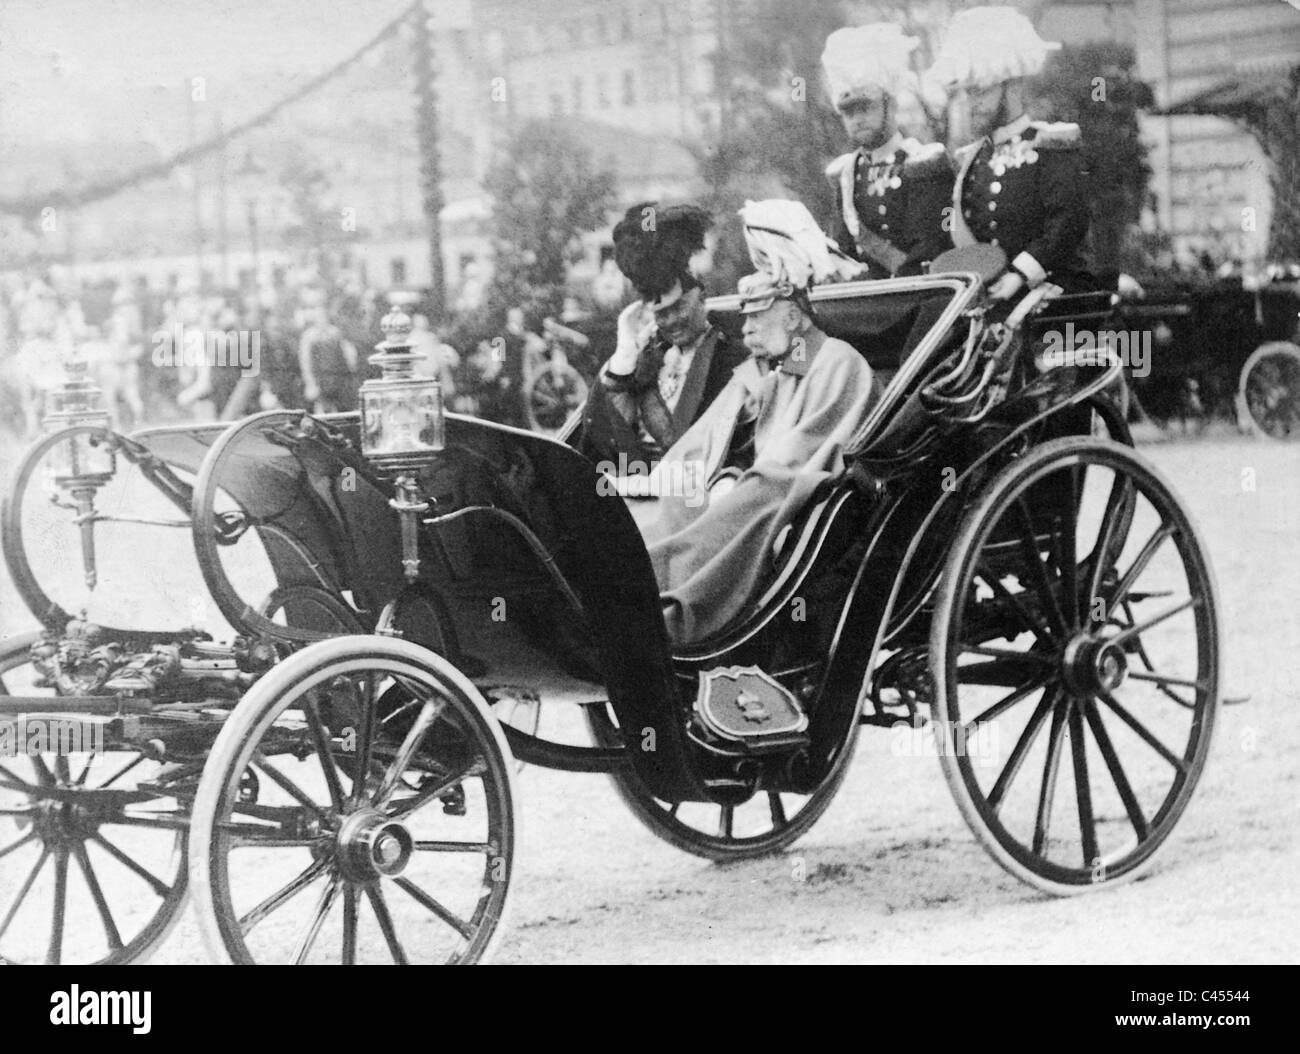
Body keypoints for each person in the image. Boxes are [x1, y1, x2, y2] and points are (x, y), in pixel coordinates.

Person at [619, 200, 875, 645]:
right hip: (750, 477)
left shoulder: (838, 361)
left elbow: (806, 450)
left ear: (794, 316)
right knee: (680, 494)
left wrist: (740, 480)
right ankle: (631, 581)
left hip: (799, 489)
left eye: (758, 317)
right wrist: (669, 479)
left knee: (736, 503)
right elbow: (706, 440)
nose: (747, 329)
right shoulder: (772, 367)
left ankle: (674, 607)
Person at [928, 6, 1093, 298]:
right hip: (985, 296)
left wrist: (1021, 274)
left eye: (981, 90)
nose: (971, 103)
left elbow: (1068, 222)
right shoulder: (971, 159)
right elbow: (952, 229)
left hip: (1048, 292)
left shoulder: (1050, 145)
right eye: (968, 92)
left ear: (1011, 85)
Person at [580, 202, 747, 471]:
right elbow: (602, 439)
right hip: (631, 486)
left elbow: (688, 448)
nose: (671, 321)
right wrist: (624, 362)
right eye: (661, 313)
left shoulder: (731, 357)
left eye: (679, 307)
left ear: (702, 296)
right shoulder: (648, 351)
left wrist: (644, 389)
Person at [821, 24, 953, 279]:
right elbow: (843, 248)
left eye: (865, 108)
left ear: (890, 105)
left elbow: (932, 245)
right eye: (849, 112)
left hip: (914, 292)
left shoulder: (923, 164)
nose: (857, 119)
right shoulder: (846, 175)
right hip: (865, 298)